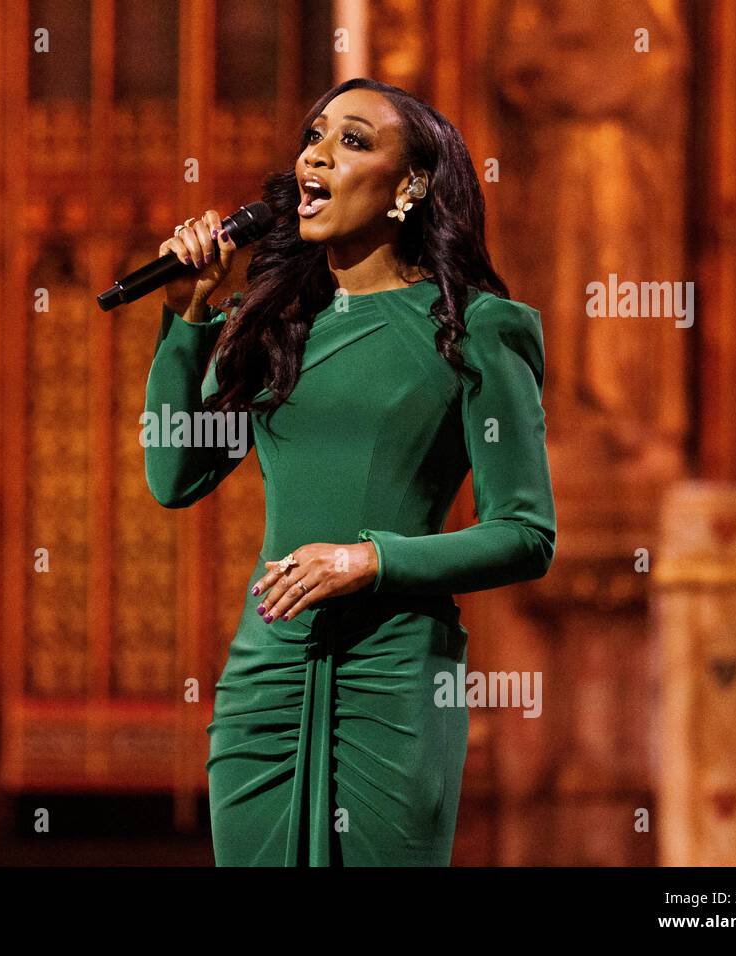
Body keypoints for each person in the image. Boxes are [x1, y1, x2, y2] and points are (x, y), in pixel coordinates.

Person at [143, 77, 556, 866]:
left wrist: (369, 559)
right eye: (314, 135)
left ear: (409, 185)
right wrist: (190, 314)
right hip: (266, 679)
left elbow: (527, 534)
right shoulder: (268, 327)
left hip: (393, 681)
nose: (318, 155)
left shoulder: (476, 329)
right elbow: (174, 477)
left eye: (353, 141)